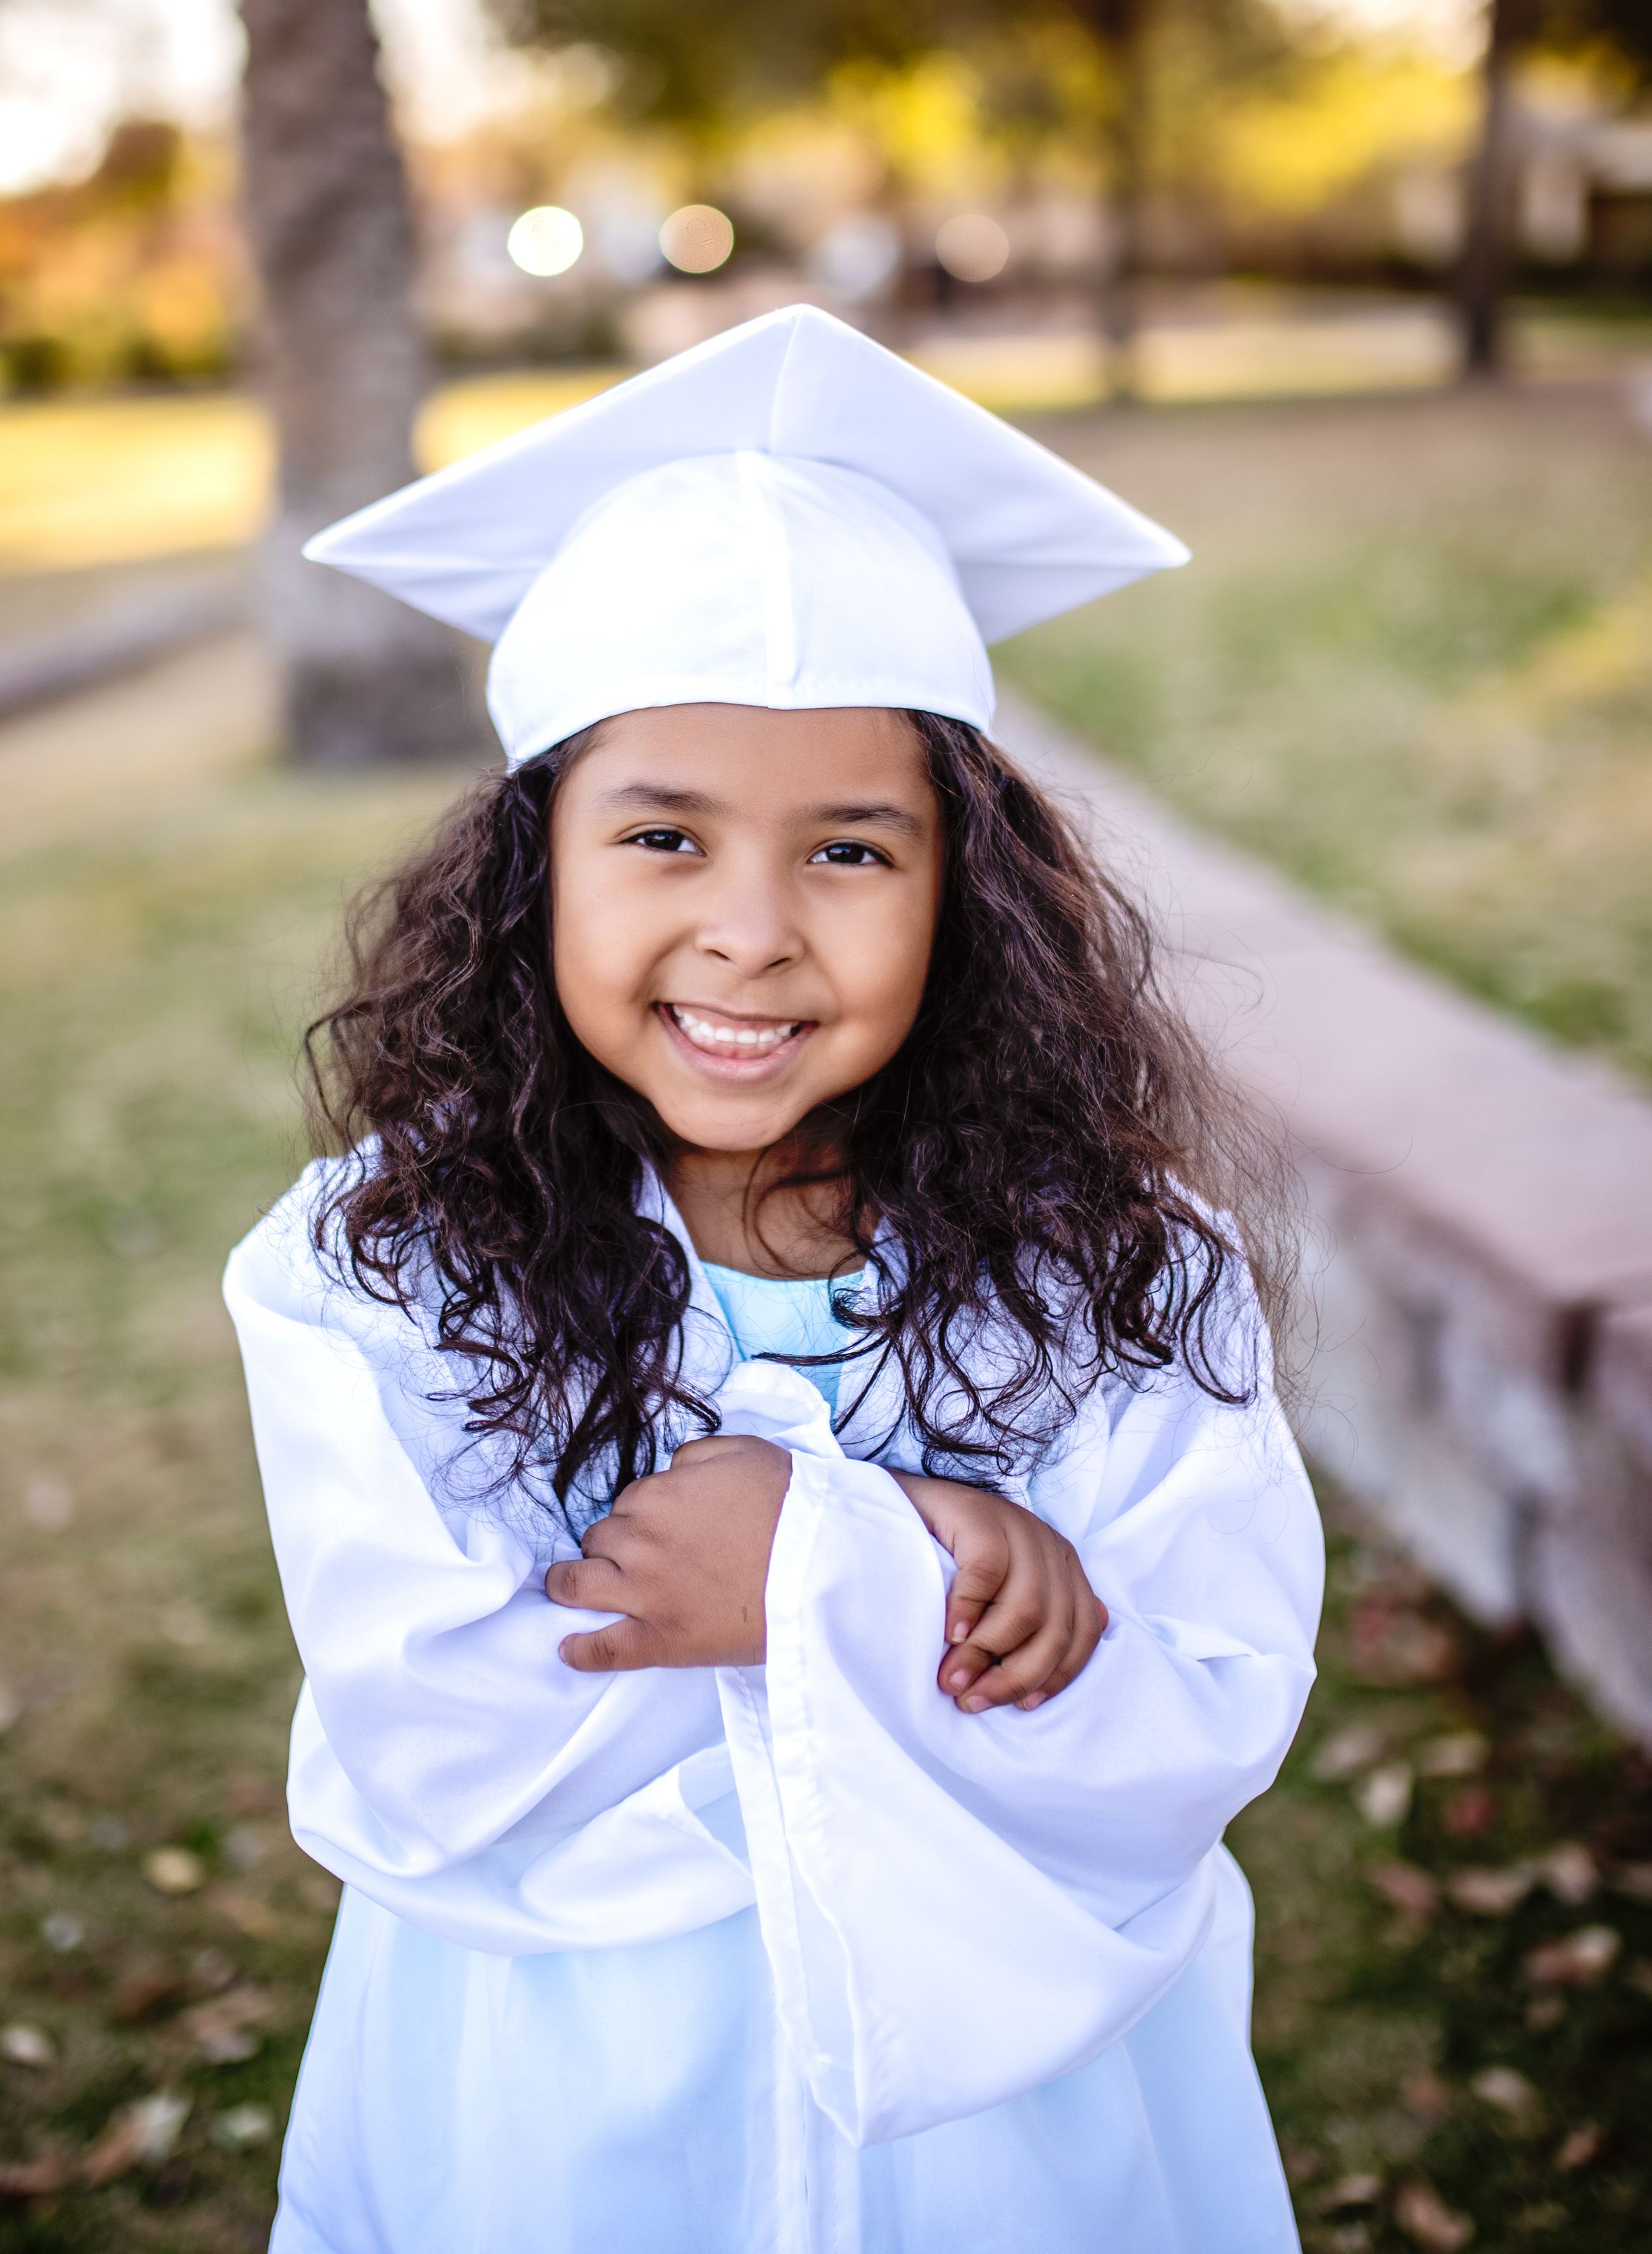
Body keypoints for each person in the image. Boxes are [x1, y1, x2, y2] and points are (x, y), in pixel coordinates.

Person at [225, 305, 1323, 2254]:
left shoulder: (1125, 1275)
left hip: (1013, 2151)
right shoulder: (368, 1275)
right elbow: (446, 1742)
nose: (748, 933)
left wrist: (797, 1584)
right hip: (554, 2122)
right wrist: (909, 1582)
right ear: (528, 868)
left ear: (963, 893)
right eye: (659, 835)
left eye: (847, 850)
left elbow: (1193, 1720)